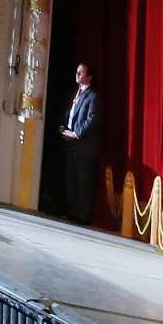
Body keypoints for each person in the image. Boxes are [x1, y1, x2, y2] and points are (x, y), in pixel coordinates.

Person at [55, 62, 101, 226]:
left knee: (83, 180)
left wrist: (75, 133)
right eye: (77, 72)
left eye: (81, 73)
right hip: (70, 144)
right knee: (71, 179)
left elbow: (91, 120)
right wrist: (63, 129)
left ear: (89, 77)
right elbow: (69, 114)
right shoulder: (74, 94)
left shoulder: (93, 97)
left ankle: (83, 215)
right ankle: (72, 211)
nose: (77, 74)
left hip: (84, 146)